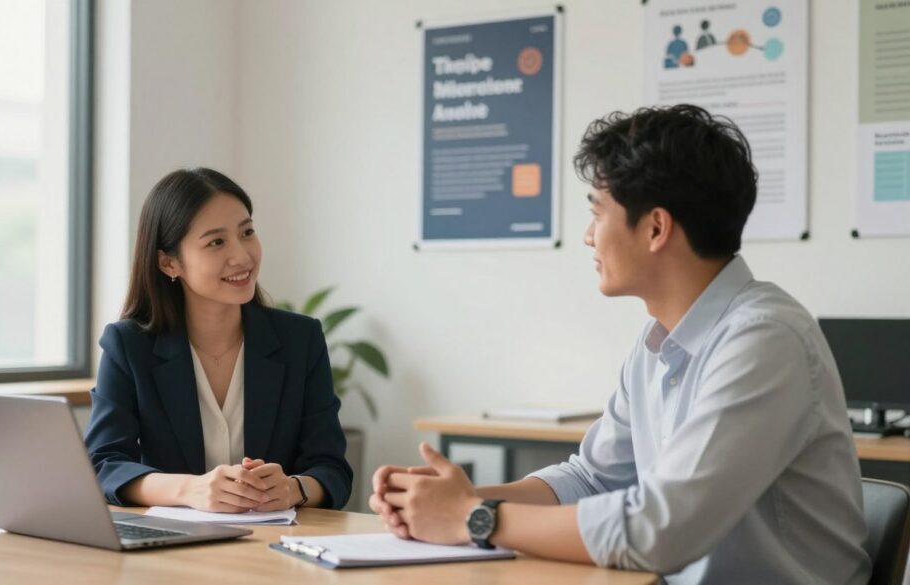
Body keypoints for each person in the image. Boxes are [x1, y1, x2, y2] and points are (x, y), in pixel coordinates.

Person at [369, 105, 871, 584]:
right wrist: (449, 499)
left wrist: (476, 519)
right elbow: (592, 478)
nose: (589, 236)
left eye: (598, 212)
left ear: (656, 227)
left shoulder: (765, 340)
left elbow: (660, 531)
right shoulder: (658, 341)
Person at [85, 168, 352, 512]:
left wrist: (293, 488)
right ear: (168, 263)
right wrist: (189, 490)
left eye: (247, 232)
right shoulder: (128, 345)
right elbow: (103, 464)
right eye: (216, 242)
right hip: (170, 551)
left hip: (275, 549)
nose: (242, 256)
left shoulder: (300, 339)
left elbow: (332, 469)